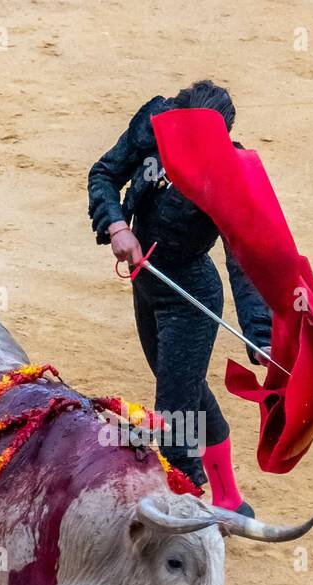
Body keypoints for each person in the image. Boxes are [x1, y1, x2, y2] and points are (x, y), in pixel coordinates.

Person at [87, 80, 271, 517]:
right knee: (186, 392)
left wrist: (259, 334)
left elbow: (242, 255)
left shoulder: (228, 172)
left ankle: (179, 510)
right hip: (146, 282)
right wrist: (117, 226)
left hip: (190, 298)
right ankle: (229, 499)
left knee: (173, 418)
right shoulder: (153, 121)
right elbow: (105, 173)